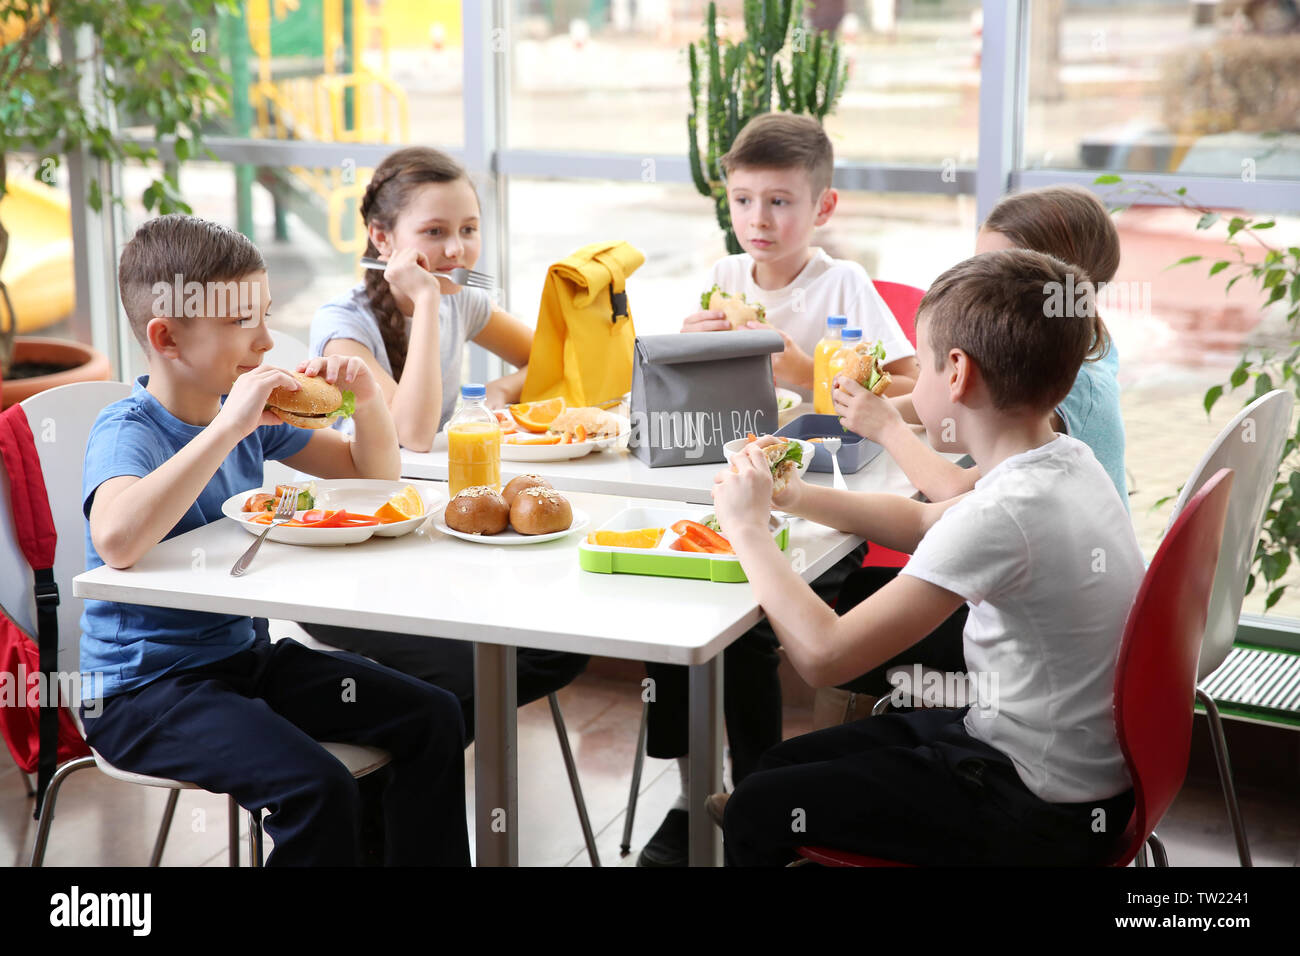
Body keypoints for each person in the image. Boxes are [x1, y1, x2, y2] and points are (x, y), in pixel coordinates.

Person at [712, 249, 1142, 865]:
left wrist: (748, 528)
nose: (910, 388)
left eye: (926, 368)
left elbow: (824, 656)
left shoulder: (1007, 511)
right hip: (1068, 767)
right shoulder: (1065, 462)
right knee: (779, 767)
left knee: (757, 804)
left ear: (958, 374)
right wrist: (797, 494)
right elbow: (923, 521)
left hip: (1035, 807)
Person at [79, 215, 469, 866]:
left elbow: (370, 473)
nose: (265, 341)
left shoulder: (249, 414)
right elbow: (117, 539)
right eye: (241, 324)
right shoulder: (130, 431)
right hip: (142, 694)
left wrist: (367, 399)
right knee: (315, 788)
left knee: (433, 715)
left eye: (264, 315)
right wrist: (228, 429)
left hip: (245, 664)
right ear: (167, 337)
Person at [637, 113, 918, 866]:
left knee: (752, 623)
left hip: (827, 503)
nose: (759, 220)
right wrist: (688, 356)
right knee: (672, 599)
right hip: (737, 486)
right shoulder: (725, 277)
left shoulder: (844, 284)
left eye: (780, 202)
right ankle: (690, 787)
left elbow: (911, 381)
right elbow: (686, 400)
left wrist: (802, 369)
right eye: (744, 201)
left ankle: (752, 785)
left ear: (822, 208)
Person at [304, 147, 589, 741]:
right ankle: (398, 784)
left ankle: (412, 761)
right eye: (434, 232)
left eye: (468, 230)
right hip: (352, 563)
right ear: (383, 240)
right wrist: (429, 301)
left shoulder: (466, 301)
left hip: (432, 539)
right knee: (473, 674)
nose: (456, 251)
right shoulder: (344, 326)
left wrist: (503, 389)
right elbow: (408, 433)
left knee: (563, 647)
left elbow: (556, 359)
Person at [828, 184, 1129, 714]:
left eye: (1000, 269)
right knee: (859, 593)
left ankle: (823, 764)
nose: (981, 286)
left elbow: (952, 489)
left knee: (851, 604)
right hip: (1055, 588)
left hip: (1039, 616)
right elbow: (945, 398)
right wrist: (872, 407)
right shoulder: (1084, 348)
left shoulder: (1071, 385)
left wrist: (887, 428)